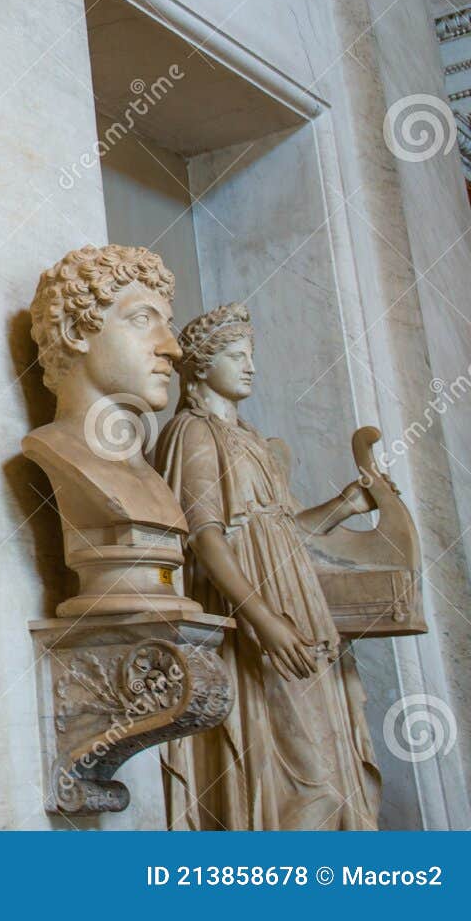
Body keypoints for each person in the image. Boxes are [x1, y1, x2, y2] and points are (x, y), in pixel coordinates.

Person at [154, 302, 382, 830]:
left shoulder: (253, 440)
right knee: (303, 778)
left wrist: (345, 505)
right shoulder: (194, 434)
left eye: (250, 355)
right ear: (202, 366)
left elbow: (285, 534)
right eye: (237, 356)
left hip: (299, 612)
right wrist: (263, 620)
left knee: (334, 767)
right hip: (254, 621)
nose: (250, 366)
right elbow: (205, 538)